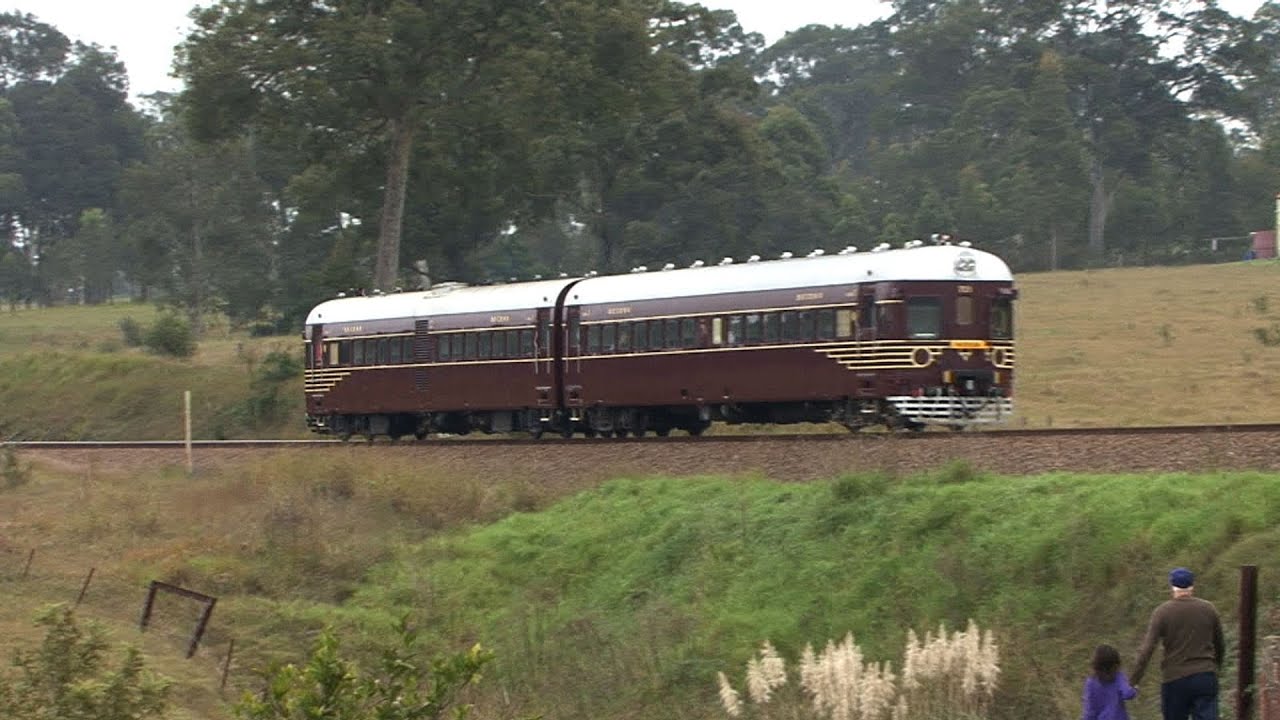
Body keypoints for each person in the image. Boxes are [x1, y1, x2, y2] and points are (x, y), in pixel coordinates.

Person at [1131, 567, 1226, 720]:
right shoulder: (1209, 609)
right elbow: (1220, 644)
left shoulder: (1162, 612)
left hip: (1175, 680)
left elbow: (1147, 650)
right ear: (1192, 586)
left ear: (1172, 587)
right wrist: (1216, 668)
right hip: (1205, 677)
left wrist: (1134, 680)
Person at [1082, 644, 1138, 720]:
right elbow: (1128, 693)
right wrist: (1135, 689)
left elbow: (1090, 710)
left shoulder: (1090, 683)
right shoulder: (1118, 677)